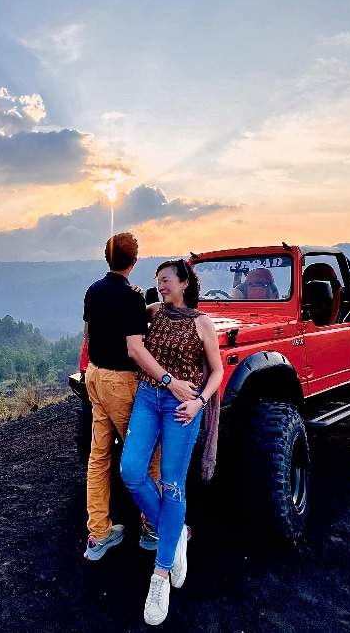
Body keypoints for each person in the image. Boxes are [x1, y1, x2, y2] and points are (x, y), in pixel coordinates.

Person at [119, 259, 224, 626]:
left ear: (183, 283)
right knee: (131, 471)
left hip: (183, 406)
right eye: (157, 280)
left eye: (165, 280)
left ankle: (160, 575)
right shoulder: (153, 311)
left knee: (173, 484)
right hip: (149, 398)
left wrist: (199, 402)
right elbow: (131, 328)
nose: (160, 286)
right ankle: (174, 531)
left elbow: (217, 371)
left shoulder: (202, 323)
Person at [81, 232, 162, 560]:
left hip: (94, 376)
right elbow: (135, 348)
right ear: (135, 261)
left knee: (99, 455)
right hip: (120, 382)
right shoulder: (131, 298)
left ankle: (99, 532)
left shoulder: (93, 290)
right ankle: (153, 527)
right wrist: (166, 378)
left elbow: (88, 333)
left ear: (107, 258)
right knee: (147, 452)